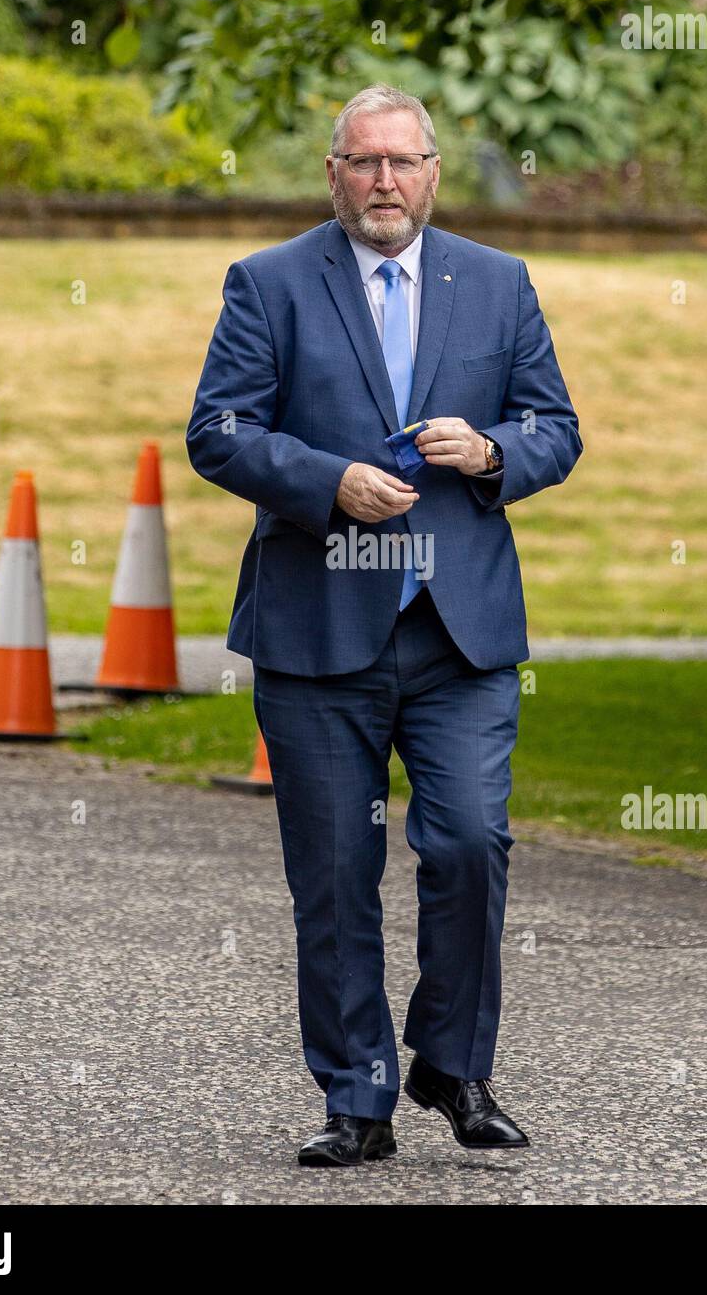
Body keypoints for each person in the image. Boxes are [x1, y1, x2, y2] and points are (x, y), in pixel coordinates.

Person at [186, 83, 583, 1167]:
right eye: (362, 163)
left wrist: (495, 451)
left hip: (458, 637)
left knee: (467, 844)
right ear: (331, 174)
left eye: (402, 162)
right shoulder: (268, 284)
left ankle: (451, 1063)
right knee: (331, 871)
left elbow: (555, 427)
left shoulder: (496, 284)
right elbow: (216, 432)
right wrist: (328, 481)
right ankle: (355, 1097)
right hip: (317, 632)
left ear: (432, 171)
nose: (383, 182)